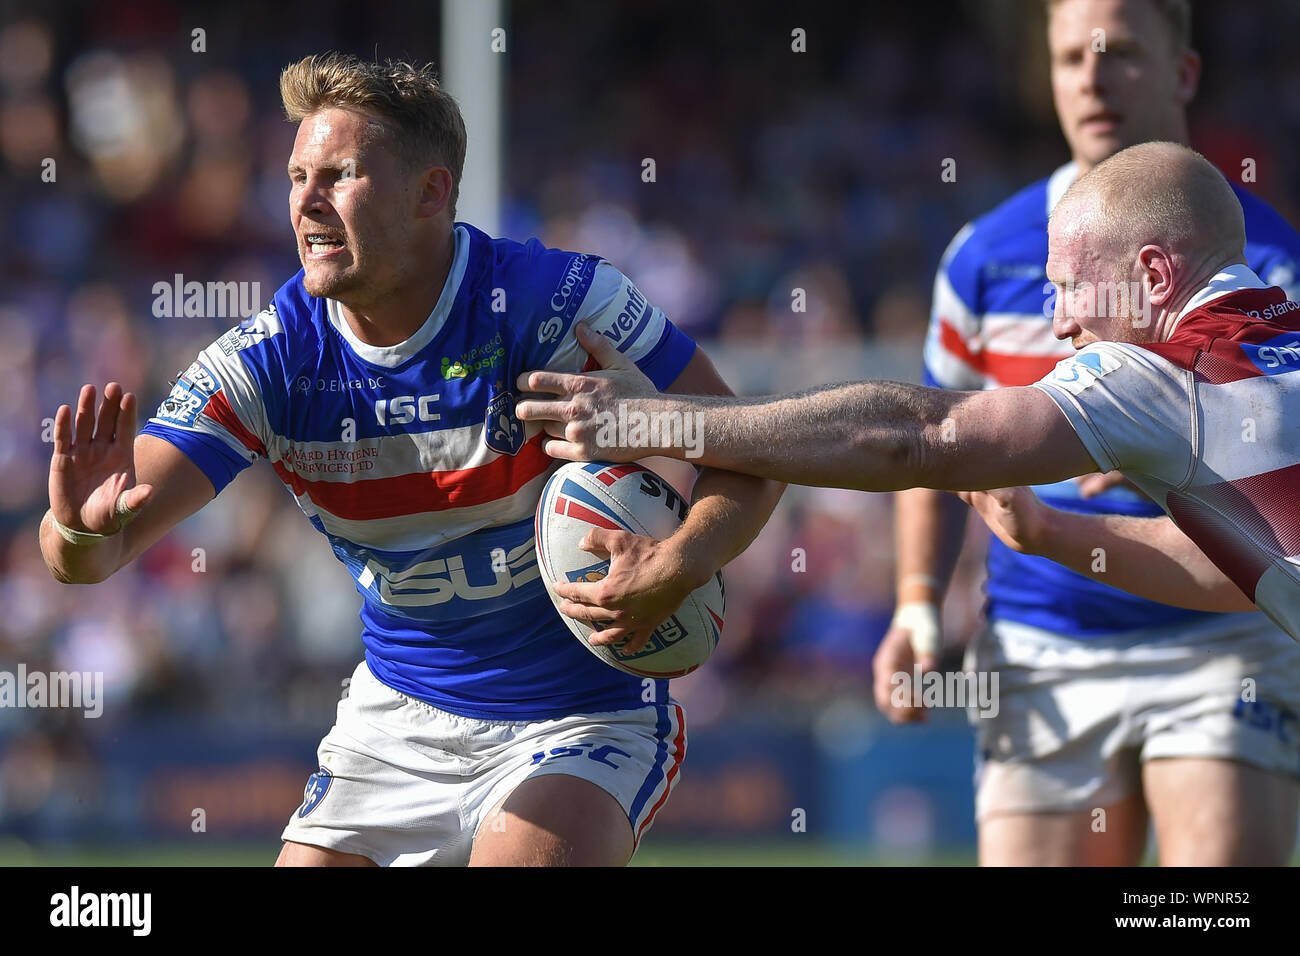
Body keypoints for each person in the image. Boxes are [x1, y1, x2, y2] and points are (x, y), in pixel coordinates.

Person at [39, 53, 784, 867]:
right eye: (296, 176)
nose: (305, 202)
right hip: (398, 715)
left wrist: (682, 560)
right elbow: (93, 554)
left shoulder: (557, 304)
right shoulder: (270, 361)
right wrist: (75, 529)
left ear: (431, 192)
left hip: (581, 714)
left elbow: (752, 447)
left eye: (339, 176)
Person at [516, 138, 1300, 791]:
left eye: (1068, 289)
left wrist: (650, 418)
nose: (1060, 325)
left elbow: (919, 433)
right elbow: (1243, 573)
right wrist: (1053, 533)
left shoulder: (1167, 373)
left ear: (1156, 277)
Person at [881, 0, 1300, 866]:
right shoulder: (983, 255)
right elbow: (935, 437)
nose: (1093, 77)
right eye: (1071, 57)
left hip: (1221, 640)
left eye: (1121, 54)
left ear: (1183, 73)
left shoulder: (1266, 251)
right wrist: (918, 606)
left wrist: (1165, 463)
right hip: (1042, 639)